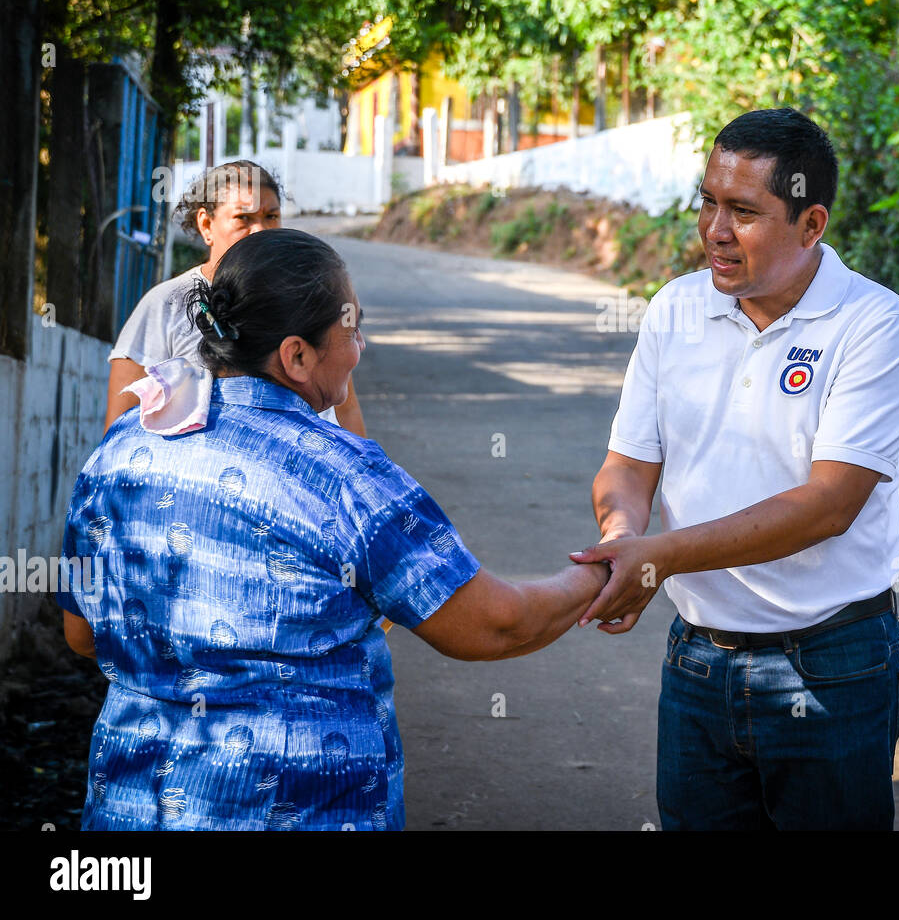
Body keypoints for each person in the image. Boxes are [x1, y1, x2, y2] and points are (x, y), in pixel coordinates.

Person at [59, 229, 608, 830]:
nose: (360, 346)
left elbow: (82, 635)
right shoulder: (345, 475)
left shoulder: (121, 448)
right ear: (296, 355)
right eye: (351, 329)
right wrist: (605, 572)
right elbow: (496, 624)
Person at [569, 107, 899, 830]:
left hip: (832, 662)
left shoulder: (874, 325)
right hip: (698, 661)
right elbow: (629, 465)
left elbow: (829, 504)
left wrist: (658, 557)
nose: (714, 231)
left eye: (743, 211)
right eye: (707, 202)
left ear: (811, 223)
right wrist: (622, 540)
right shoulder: (675, 310)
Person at [104, 159, 367, 436]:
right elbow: (121, 424)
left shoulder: (309, 294)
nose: (260, 231)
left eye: (271, 216)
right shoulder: (164, 305)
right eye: (243, 218)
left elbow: (344, 407)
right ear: (206, 224)